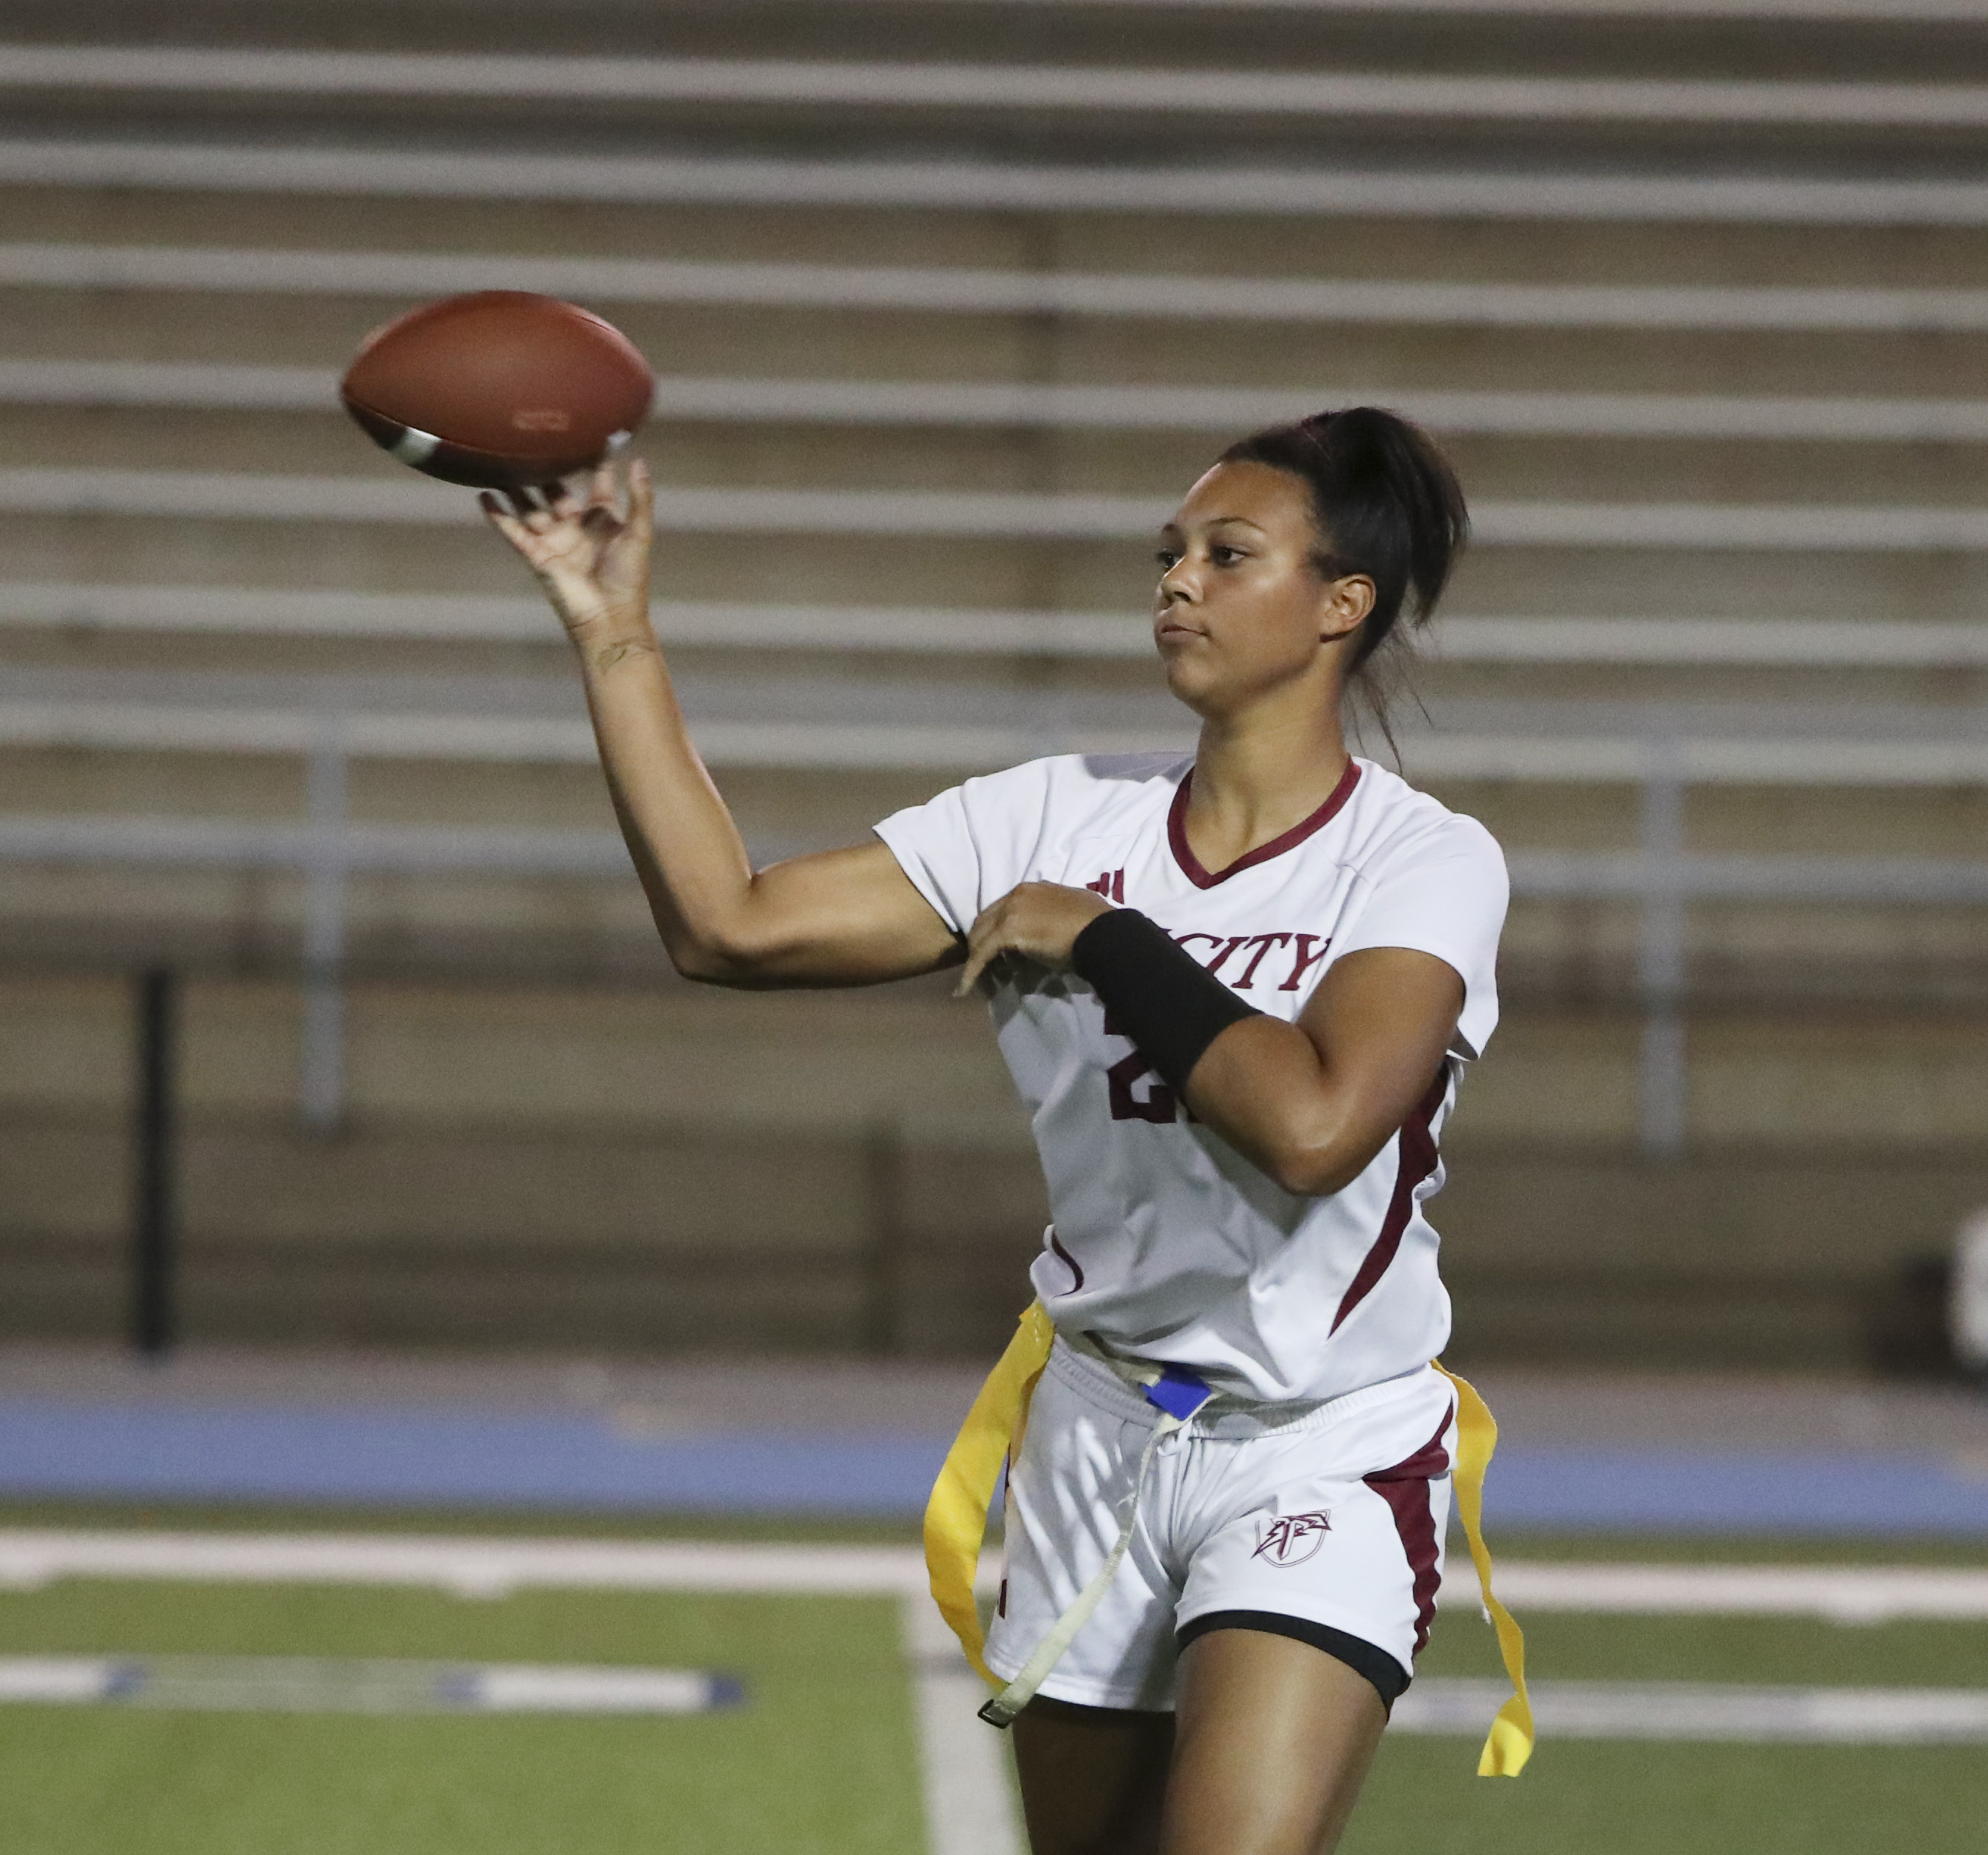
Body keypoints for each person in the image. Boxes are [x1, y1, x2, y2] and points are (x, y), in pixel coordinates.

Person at [482, 407, 1520, 1855]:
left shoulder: (1420, 858)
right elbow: (729, 927)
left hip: (1315, 1443)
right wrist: (611, 630)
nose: (1175, 583)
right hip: (1093, 1427)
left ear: (1341, 602)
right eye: (1168, 554)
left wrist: (1106, 943)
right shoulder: (1047, 815)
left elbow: (1313, 1125)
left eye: (1228, 555)